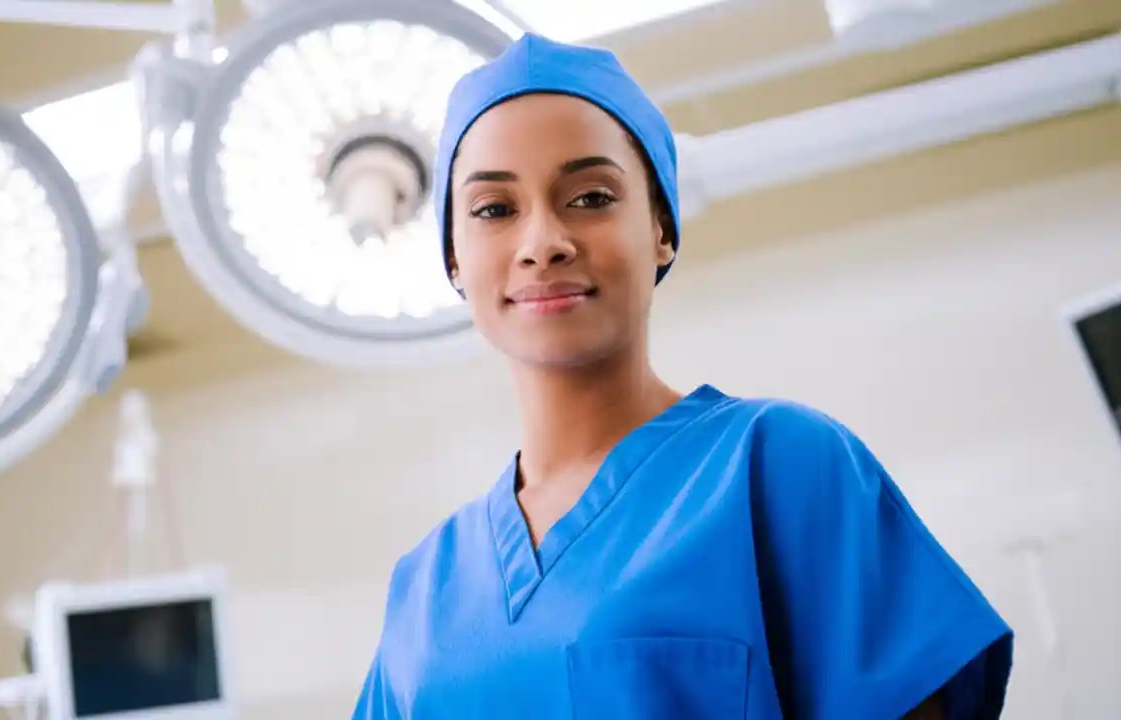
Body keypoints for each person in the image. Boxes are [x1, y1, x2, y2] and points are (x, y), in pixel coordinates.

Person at [353, 33, 1013, 719]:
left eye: (590, 197)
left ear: (661, 228)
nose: (543, 241)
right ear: (454, 260)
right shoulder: (422, 590)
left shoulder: (777, 464)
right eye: (494, 209)